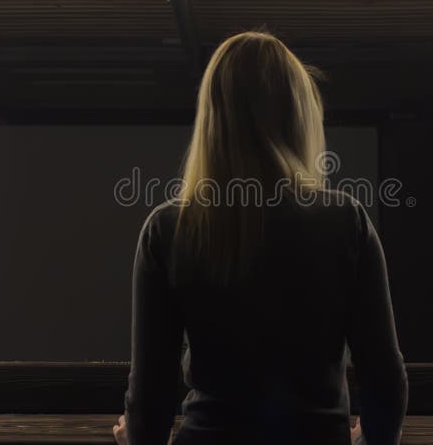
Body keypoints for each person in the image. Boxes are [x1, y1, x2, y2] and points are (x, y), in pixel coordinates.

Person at [113, 31, 408, 445]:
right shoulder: (347, 222)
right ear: (297, 114)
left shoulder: (168, 229)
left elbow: (151, 392)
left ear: (213, 118)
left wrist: (138, 438)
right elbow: (384, 378)